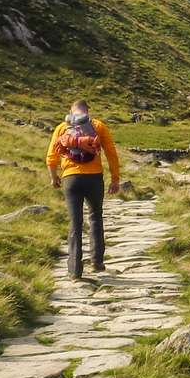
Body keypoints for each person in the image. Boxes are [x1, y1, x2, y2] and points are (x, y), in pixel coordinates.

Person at [47, 99, 120, 279]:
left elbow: (51, 156)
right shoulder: (98, 126)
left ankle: (74, 269)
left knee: (75, 222)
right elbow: (111, 153)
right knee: (95, 217)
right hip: (94, 178)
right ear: (87, 111)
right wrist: (115, 179)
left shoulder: (62, 127)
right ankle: (96, 262)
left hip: (70, 178)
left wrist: (53, 176)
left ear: (71, 111)